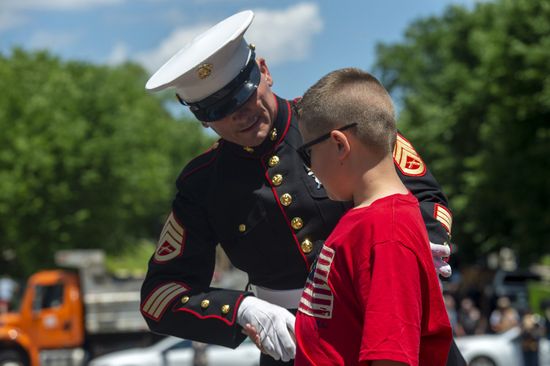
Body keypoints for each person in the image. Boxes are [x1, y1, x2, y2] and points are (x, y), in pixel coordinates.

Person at [140, 10, 464, 366]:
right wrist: (240, 309)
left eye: (244, 95)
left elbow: (426, 198)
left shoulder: (334, 119)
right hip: (295, 349)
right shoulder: (201, 183)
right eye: (221, 110)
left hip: (388, 321)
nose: (241, 115)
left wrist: (417, 245)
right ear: (200, 117)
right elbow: (160, 295)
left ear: (264, 71)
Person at [292, 67, 453, 366]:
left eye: (307, 153)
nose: (310, 167)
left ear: (339, 145)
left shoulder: (387, 233)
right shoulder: (367, 221)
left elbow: (390, 357)